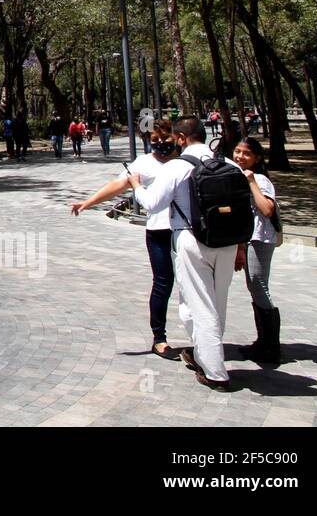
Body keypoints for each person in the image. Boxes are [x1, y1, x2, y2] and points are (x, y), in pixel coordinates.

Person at [131, 117, 244, 390]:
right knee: (217, 302)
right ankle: (203, 352)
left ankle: (215, 372)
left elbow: (153, 203)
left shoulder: (177, 167)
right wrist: (241, 246)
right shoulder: (229, 164)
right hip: (227, 241)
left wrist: (136, 186)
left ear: (181, 138)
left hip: (192, 240)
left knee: (200, 305)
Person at [71, 119, 181, 359]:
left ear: (177, 139)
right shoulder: (143, 163)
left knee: (191, 284)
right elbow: (117, 186)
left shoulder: (184, 162)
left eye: (166, 140)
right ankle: (159, 338)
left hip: (186, 231)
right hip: (159, 232)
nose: (161, 144)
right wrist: (87, 203)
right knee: (163, 283)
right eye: (155, 141)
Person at [233, 137, 282, 363]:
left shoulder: (260, 179)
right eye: (237, 151)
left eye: (246, 154)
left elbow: (267, 209)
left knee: (259, 285)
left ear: (257, 158)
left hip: (261, 238)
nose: (240, 157)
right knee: (255, 285)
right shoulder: (239, 175)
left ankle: (270, 346)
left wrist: (252, 182)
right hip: (250, 238)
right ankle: (264, 341)